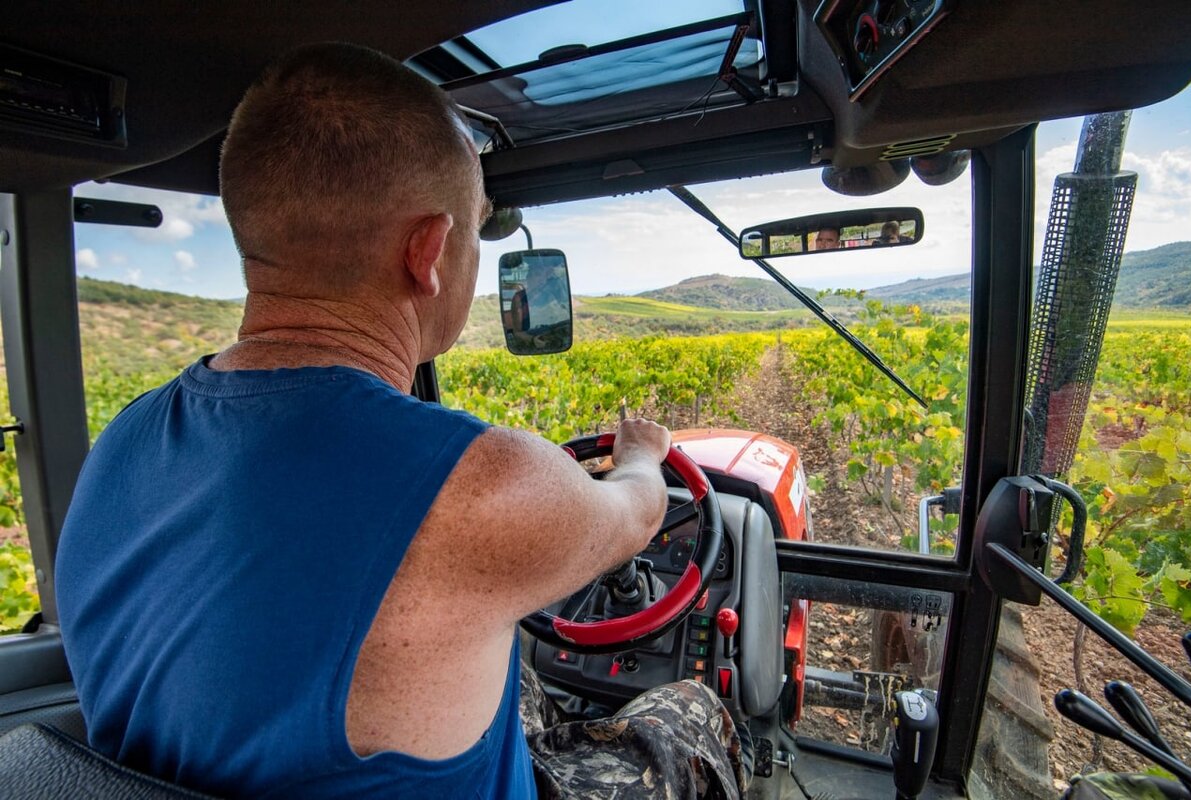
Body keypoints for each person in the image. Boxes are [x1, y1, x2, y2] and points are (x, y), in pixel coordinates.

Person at [55, 43, 745, 800]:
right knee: (693, 707)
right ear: (430, 252)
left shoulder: (120, 441)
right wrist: (643, 452)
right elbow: (638, 515)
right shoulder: (477, 484)